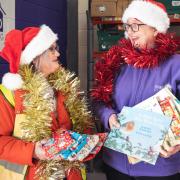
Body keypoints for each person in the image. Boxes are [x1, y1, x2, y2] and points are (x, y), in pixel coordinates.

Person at [0, 24, 105, 180]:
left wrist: (87, 142)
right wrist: (33, 151)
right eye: (51, 49)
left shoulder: (65, 87)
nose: (58, 53)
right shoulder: (10, 92)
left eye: (56, 48)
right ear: (35, 56)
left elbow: (82, 125)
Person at [91, 0, 180, 180]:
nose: (129, 32)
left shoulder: (176, 65)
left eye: (136, 26)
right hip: (116, 164)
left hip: (160, 169)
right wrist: (108, 116)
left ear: (155, 28)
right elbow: (98, 100)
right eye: (128, 26)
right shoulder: (117, 62)